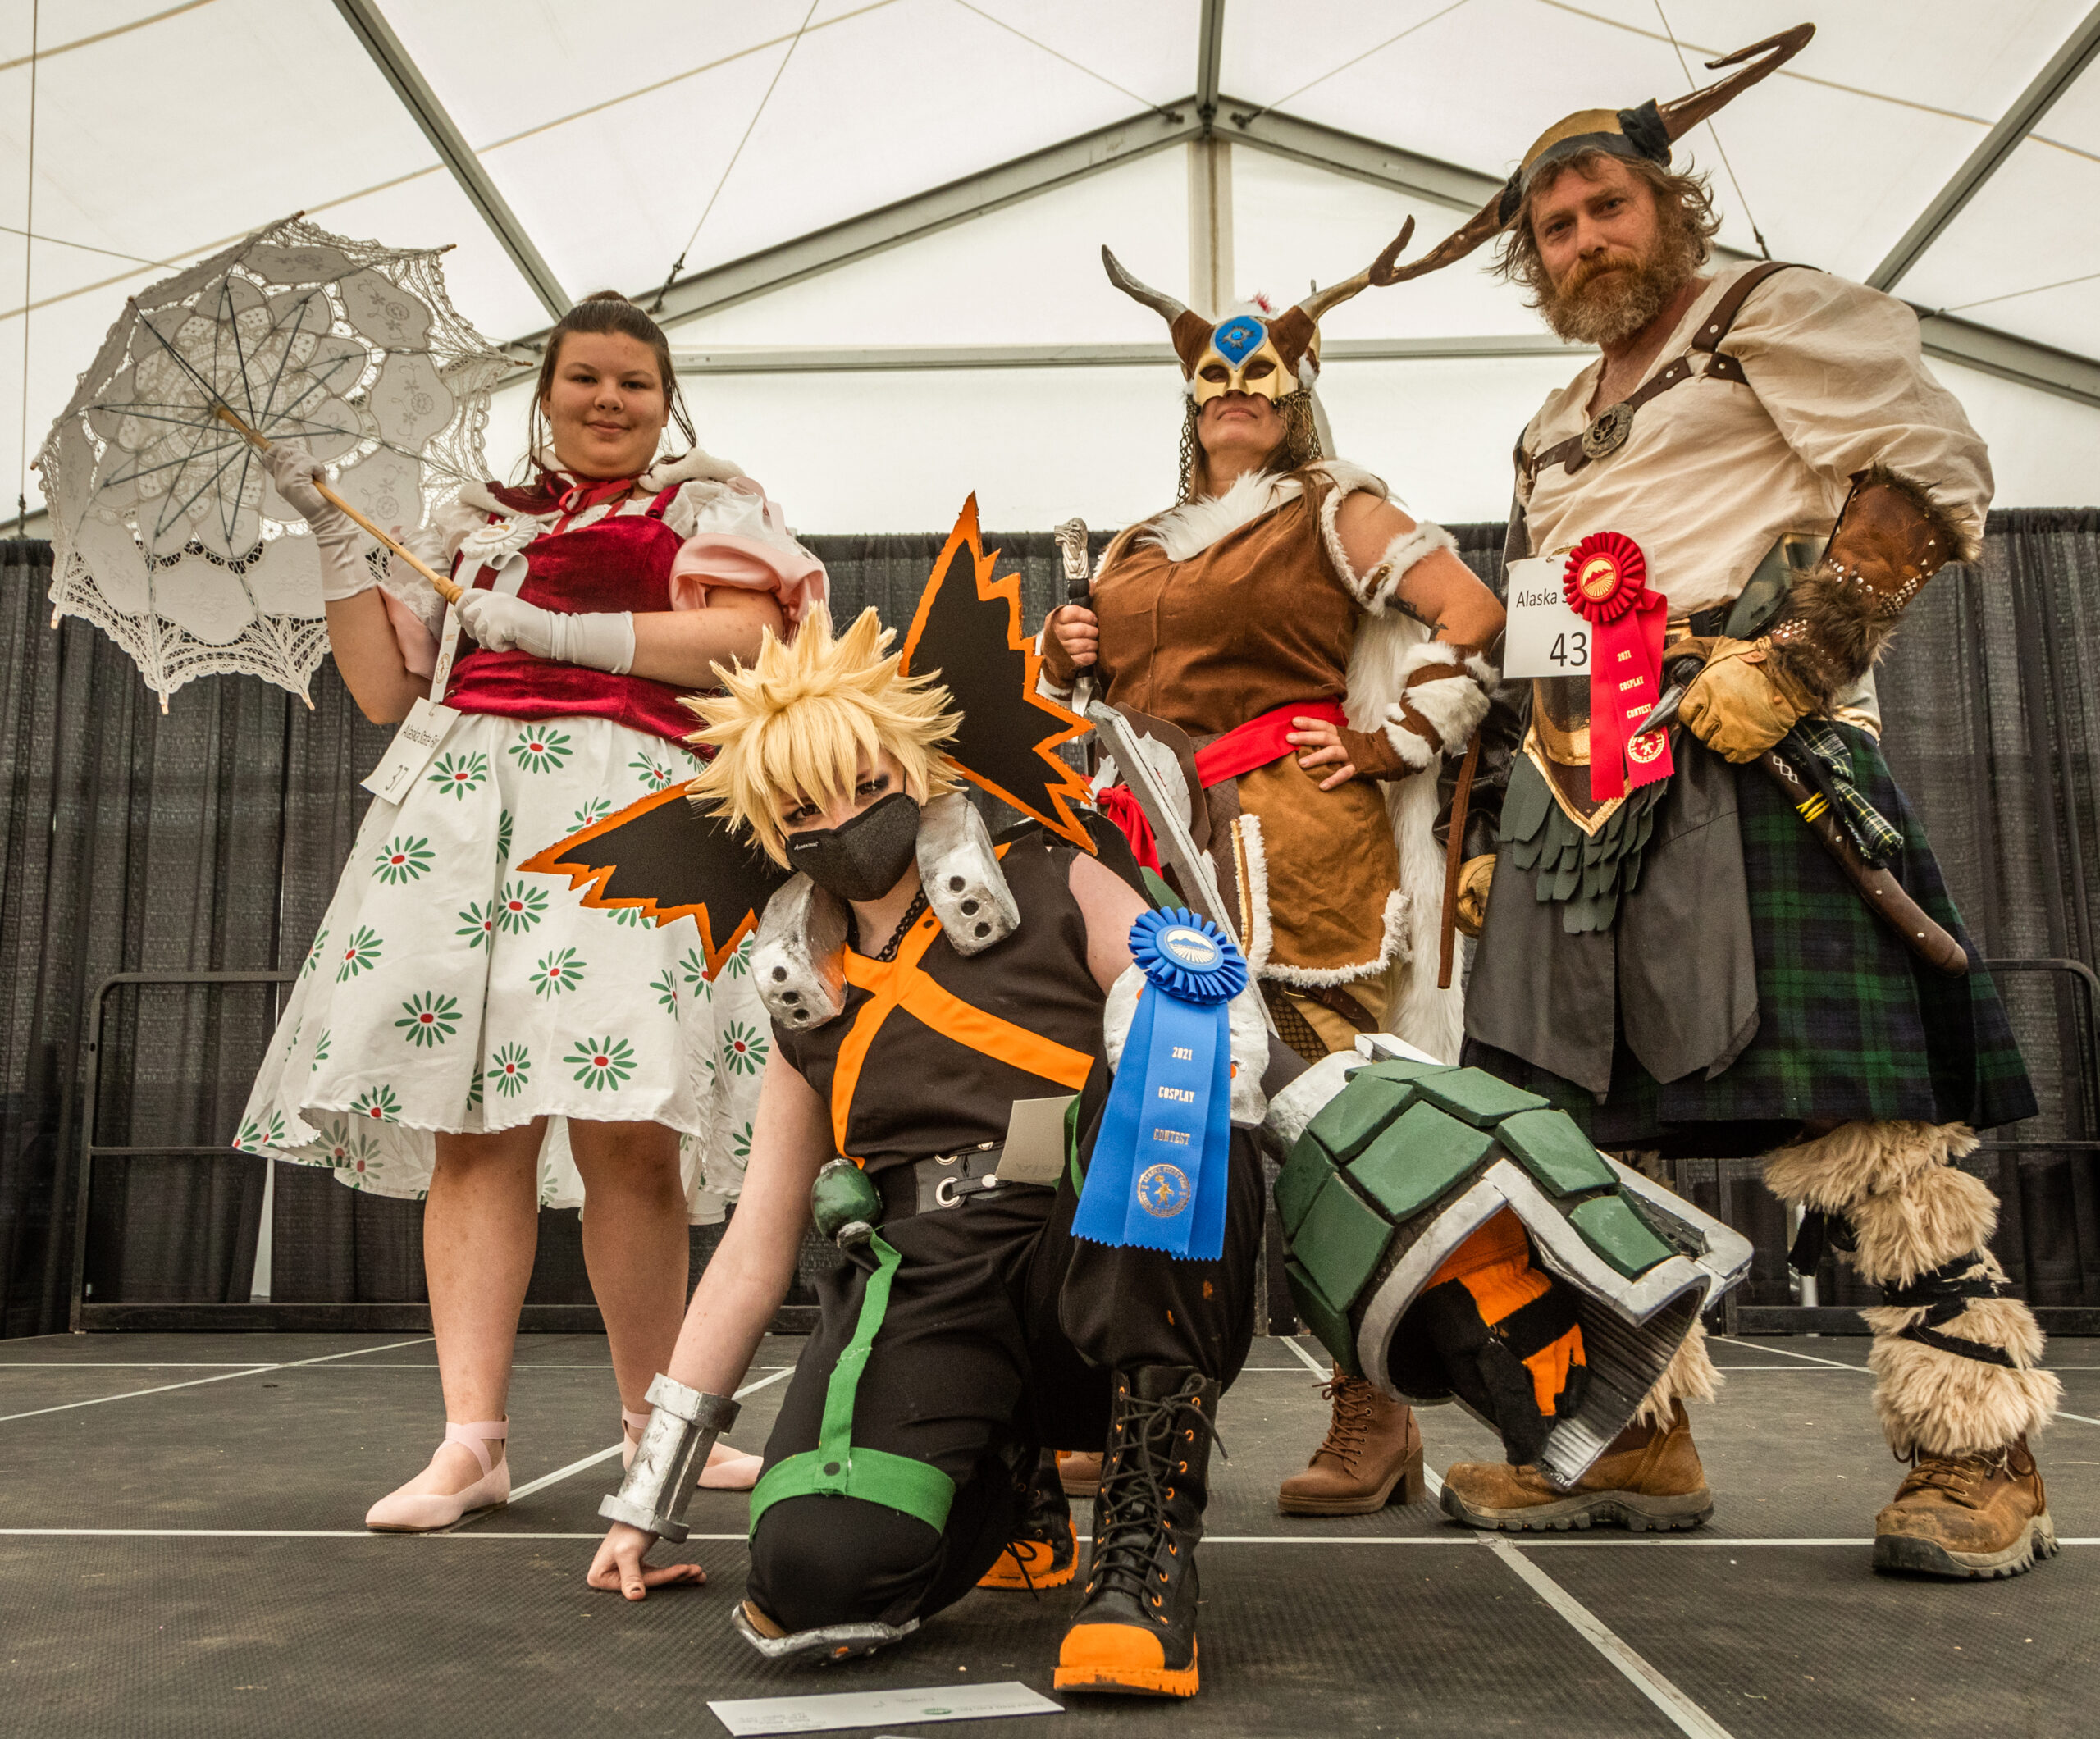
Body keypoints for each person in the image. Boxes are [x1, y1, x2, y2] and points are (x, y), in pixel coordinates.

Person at [1377, 25, 2057, 1577]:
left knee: (1868, 1126)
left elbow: (1932, 463)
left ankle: (1979, 1455)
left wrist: (1805, 657)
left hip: (1759, 750)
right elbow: (1549, 616)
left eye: (1607, 205)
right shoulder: (1550, 423)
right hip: (1576, 784)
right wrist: (1494, 836)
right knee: (1580, 1139)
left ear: (1670, 206)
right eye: (1554, 227)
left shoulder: (1772, 313)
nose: (1583, 239)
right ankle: (1636, 1435)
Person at [586, 605, 1271, 1700]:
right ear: (767, 828)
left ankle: (1144, 1550)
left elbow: (1216, 1048)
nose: (843, 821)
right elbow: (759, 1247)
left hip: (1089, 1247)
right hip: (926, 1281)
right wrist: (645, 1497)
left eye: (864, 783)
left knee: (1173, 1104)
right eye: (802, 806)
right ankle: (1006, 1476)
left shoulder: (1051, 878)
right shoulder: (802, 994)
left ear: (918, 764)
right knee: (812, 1577)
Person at [237, 291, 820, 1527]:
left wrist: (564, 631)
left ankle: (660, 1425)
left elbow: (755, 644)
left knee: (628, 1127)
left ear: (666, 404)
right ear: (544, 394)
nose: (609, 401)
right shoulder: (472, 523)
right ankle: (471, 1442)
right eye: (585, 380)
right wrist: (340, 550)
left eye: (634, 384)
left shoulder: (706, 508)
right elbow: (385, 687)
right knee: (470, 1124)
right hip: (463, 812)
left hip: (629, 811)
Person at [1037, 247, 1504, 1517]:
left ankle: (1378, 1404)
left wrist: (1384, 739)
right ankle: (1129, 1395)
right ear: (1189, 402)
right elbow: (1082, 703)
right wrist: (1064, 643)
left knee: (1322, 1120)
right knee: (1128, 1118)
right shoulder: (1134, 543)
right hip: (1138, 850)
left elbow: (1468, 610)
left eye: (1259, 373)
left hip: (1294, 854)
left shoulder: (1334, 503)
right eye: (1212, 377)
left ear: (1297, 391)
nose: (1233, 390)